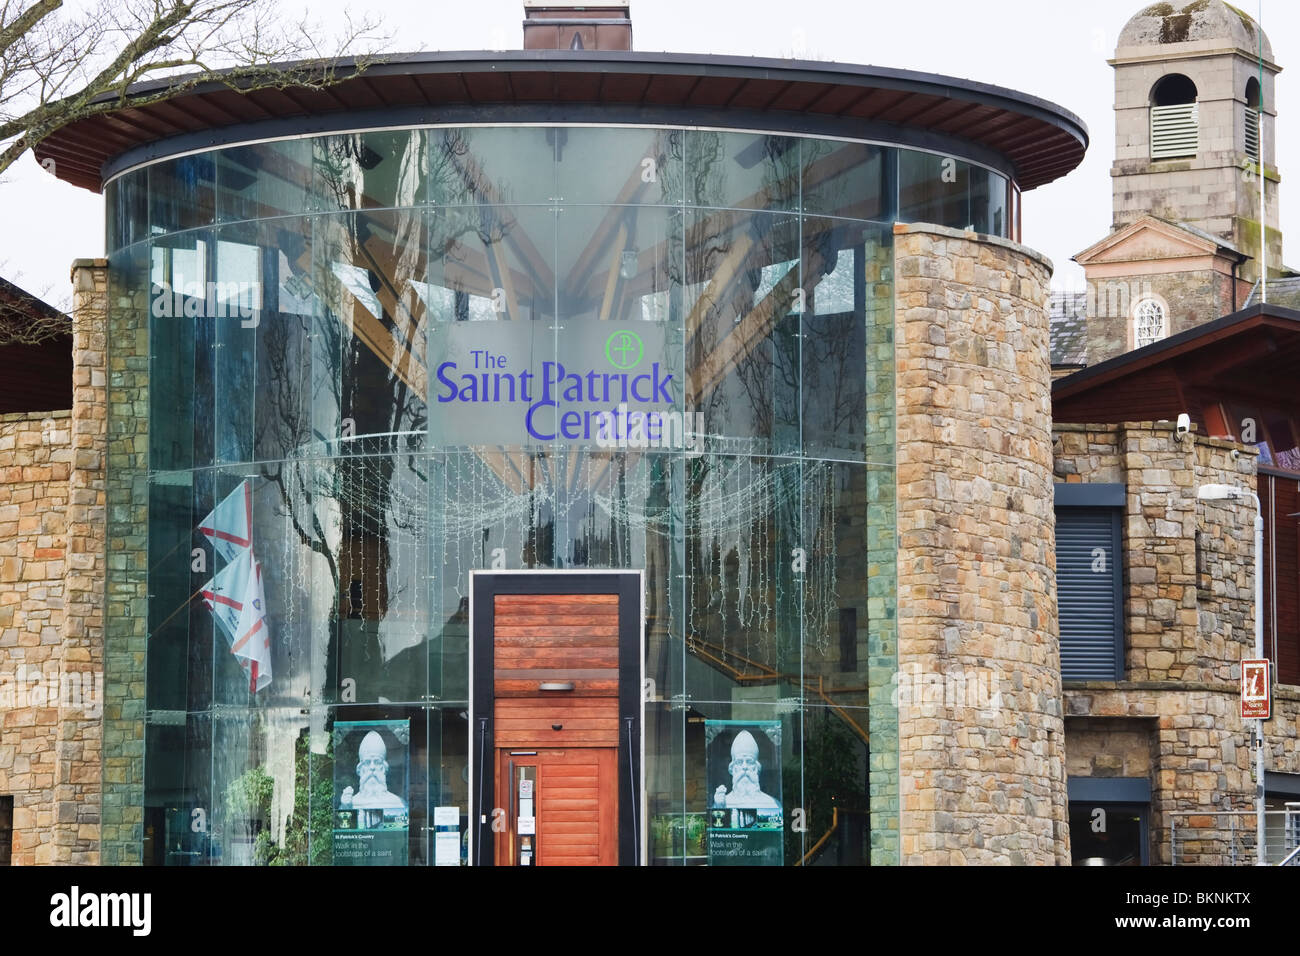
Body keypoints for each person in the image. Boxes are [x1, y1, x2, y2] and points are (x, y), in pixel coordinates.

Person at [340, 731, 406, 827]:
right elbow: (345, 830)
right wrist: (345, 808)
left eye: (377, 762)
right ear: (360, 770)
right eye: (367, 762)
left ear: (384, 768)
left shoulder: (398, 803)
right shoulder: (350, 804)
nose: (372, 767)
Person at [713, 730, 779, 810]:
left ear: (757, 768)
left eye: (749, 761)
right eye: (739, 762)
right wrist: (719, 807)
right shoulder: (723, 803)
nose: (744, 767)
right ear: (732, 769)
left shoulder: (770, 804)